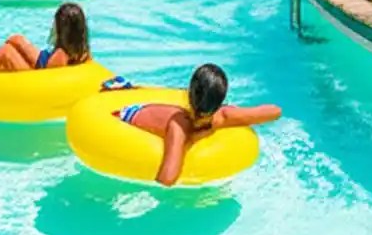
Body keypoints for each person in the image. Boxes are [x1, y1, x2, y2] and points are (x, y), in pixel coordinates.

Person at [115, 64, 281, 186]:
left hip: (151, 112)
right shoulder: (182, 125)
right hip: (128, 114)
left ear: (189, 93)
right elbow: (167, 179)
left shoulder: (211, 119)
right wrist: (194, 137)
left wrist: (195, 136)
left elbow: (166, 179)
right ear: (221, 100)